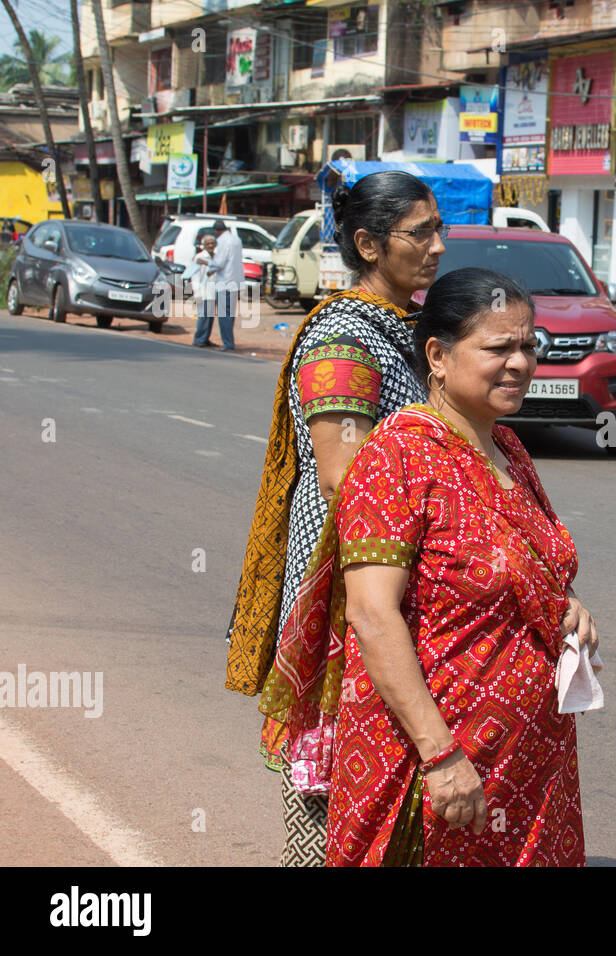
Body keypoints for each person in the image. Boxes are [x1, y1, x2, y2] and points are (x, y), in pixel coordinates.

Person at [260, 267, 597, 866]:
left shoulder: (509, 451)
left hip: (527, 761)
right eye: (499, 348)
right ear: (438, 356)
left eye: (528, 346)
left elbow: (525, 568)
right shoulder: (398, 458)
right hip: (438, 763)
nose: (520, 363)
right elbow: (371, 611)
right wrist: (440, 754)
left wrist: (566, 607)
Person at [225, 169, 444, 866]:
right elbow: (342, 474)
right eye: (422, 232)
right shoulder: (341, 342)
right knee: (333, 817)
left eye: (441, 230)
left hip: (394, 598)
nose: (439, 246)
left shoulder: (404, 331)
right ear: (369, 245)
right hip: (349, 609)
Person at [207, 220, 244, 351]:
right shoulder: (236, 240)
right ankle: (229, 342)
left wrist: (210, 266)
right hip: (235, 281)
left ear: (216, 231)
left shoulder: (223, 241)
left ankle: (228, 343)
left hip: (225, 282)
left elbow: (219, 263)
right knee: (230, 314)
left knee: (224, 315)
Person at [185, 234, 218, 347]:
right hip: (203, 292)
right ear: (203, 245)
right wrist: (197, 293)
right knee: (203, 317)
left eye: (212, 243)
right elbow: (195, 277)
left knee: (210, 318)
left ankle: (205, 338)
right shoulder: (199, 258)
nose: (210, 245)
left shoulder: (216, 257)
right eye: (208, 243)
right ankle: (198, 339)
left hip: (214, 292)